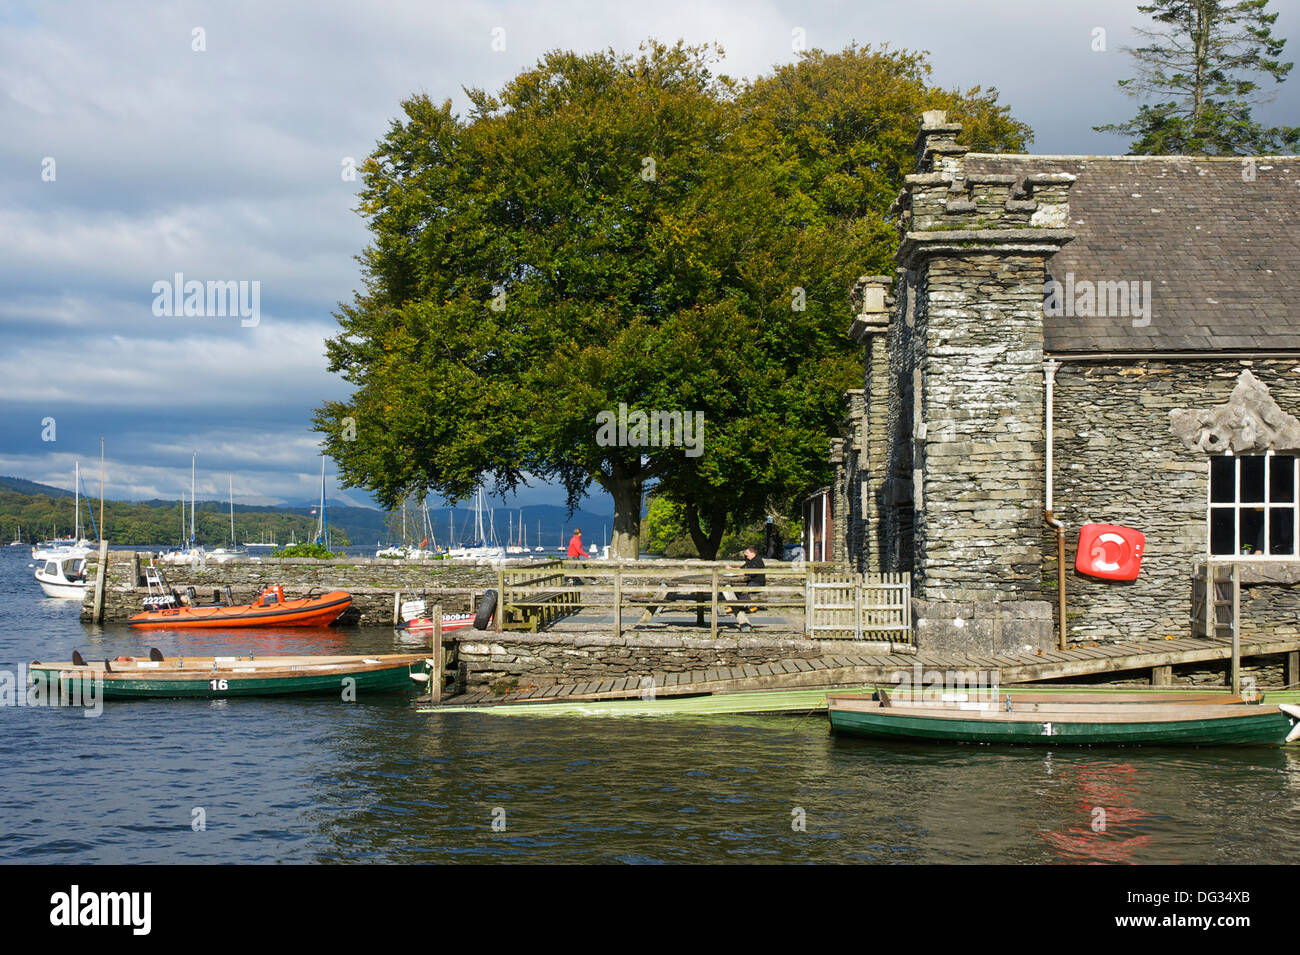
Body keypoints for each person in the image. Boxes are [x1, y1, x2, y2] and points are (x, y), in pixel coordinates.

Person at [740, 545, 765, 612]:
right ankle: (737, 606)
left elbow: (753, 573)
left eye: (747, 553)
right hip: (750, 582)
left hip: (758, 582)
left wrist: (743, 573)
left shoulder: (758, 560)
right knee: (735, 587)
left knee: (743, 590)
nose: (746, 554)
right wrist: (732, 569)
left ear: (753, 553)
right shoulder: (749, 560)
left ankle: (751, 607)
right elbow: (741, 568)